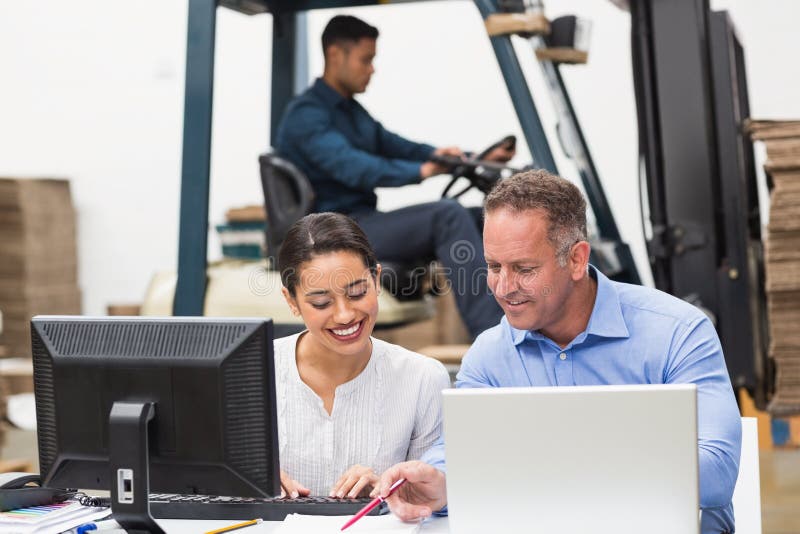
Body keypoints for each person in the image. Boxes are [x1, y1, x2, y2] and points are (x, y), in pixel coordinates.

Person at [374, 170, 742, 534]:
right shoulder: (489, 355)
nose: (504, 287)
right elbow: (458, 456)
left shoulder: (677, 332)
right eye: (493, 267)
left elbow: (717, 472)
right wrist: (437, 484)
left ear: (578, 260)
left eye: (524, 269)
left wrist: (560, 466)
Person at [274, 14, 514, 338]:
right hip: (332, 235)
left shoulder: (352, 112)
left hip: (362, 223)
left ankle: (527, 320)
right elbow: (355, 167)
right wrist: (422, 171)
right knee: (446, 216)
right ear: (335, 55)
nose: (371, 69)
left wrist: (464, 158)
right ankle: (495, 340)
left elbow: (395, 145)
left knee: (479, 217)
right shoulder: (307, 116)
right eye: (366, 59)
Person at [274, 212, 451, 498]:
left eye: (357, 293)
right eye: (321, 303)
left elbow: (431, 499)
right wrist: (248, 490)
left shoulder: (423, 379)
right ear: (291, 301)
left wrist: (390, 493)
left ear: (377, 279)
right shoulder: (253, 376)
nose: (344, 315)